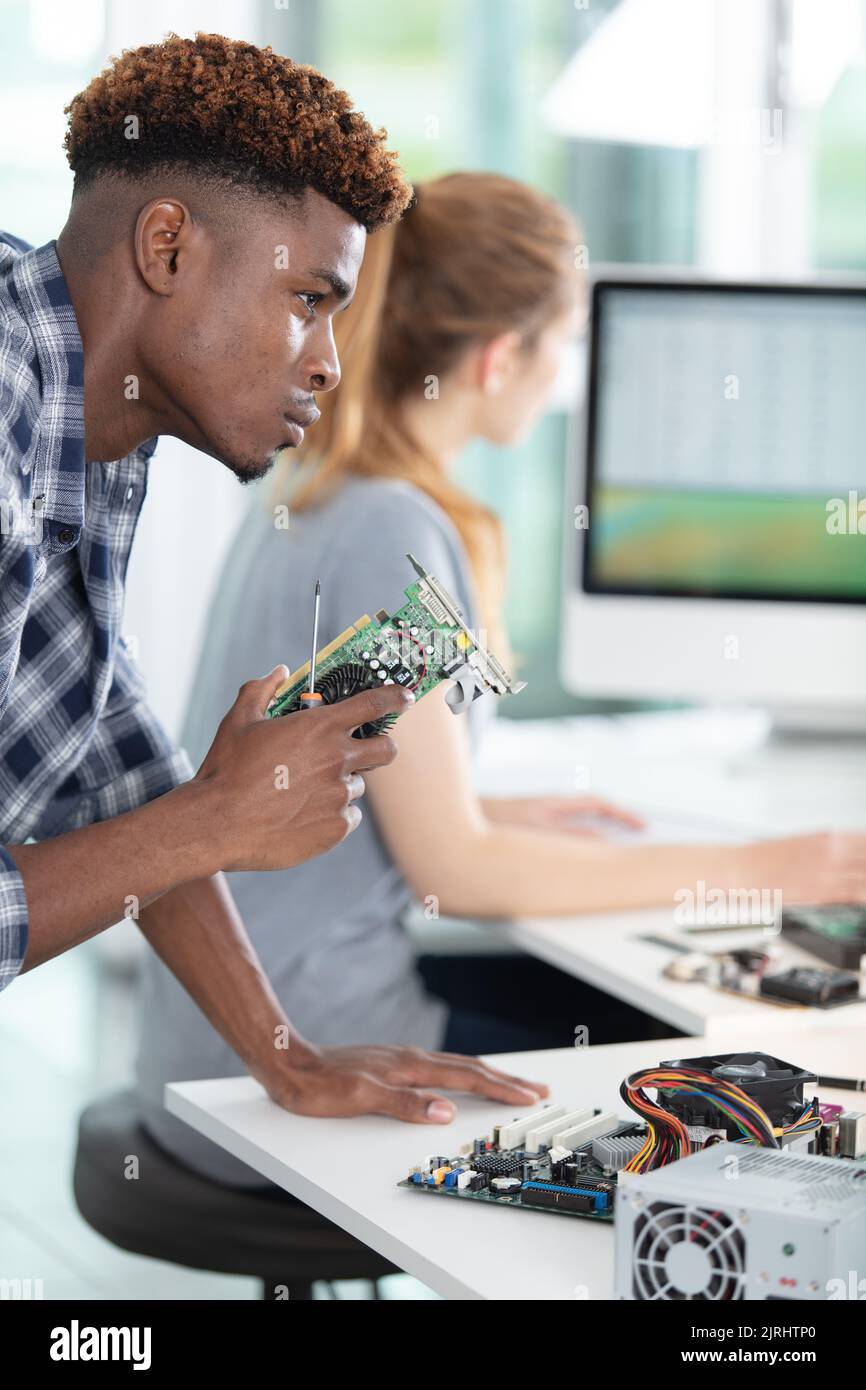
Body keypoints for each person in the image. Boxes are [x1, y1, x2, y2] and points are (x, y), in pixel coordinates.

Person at [137, 170, 866, 1185]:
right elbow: (457, 873)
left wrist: (503, 806)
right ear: (497, 358)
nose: (561, 373)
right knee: (726, 1075)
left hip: (221, 1033)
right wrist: (770, 869)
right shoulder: (391, 530)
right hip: (296, 1054)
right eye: (559, 346)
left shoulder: (330, 491)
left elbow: (366, 778)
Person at [0, 38, 546, 1124]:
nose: (328, 360)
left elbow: (120, 772)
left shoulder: (87, 405)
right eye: (307, 298)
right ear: (166, 245)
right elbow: (177, 820)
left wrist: (285, 1056)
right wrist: (217, 818)